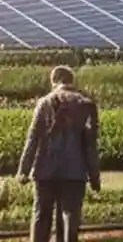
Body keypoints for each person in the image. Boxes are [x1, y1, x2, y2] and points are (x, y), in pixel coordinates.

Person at [16, 66, 101, 242]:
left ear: (54, 81)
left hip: (45, 172)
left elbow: (33, 138)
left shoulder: (44, 103)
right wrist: (94, 176)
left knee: (41, 216)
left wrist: (23, 170)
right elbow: (90, 144)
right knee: (70, 217)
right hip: (74, 173)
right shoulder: (86, 104)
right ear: (72, 80)